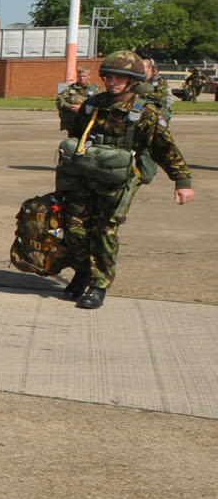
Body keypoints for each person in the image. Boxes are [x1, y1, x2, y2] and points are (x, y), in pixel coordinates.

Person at [60, 50, 195, 309]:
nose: (112, 82)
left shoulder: (144, 112)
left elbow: (164, 148)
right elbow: (76, 138)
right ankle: (83, 272)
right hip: (86, 175)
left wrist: (182, 181)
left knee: (104, 231)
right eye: (108, 77)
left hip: (118, 180)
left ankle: (99, 285)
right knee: (76, 229)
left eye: (119, 78)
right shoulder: (92, 106)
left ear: (132, 81)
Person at [56, 65, 99, 131]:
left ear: (89, 76)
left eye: (84, 76)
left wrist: (82, 107)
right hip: (72, 122)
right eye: (80, 76)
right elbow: (59, 101)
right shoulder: (69, 88)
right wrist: (71, 106)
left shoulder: (95, 89)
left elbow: (99, 103)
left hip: (88, 122)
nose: (81, 78)